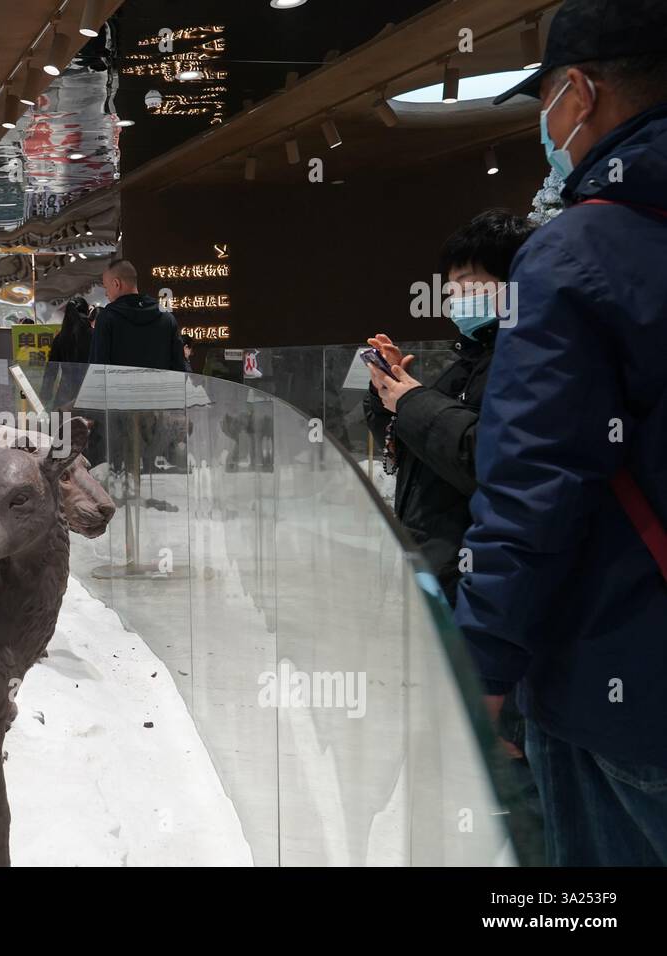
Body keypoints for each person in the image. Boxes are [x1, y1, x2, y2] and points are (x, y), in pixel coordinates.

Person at [454, 0, 667, 866]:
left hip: (622, 684)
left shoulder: (578, 254)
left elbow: (536, 482)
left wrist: (488, 664)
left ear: (578, 93)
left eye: (545, 98)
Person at [363, 210, 536, 602]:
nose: (455, 299)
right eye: (451, 289)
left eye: (468, 285)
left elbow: (485, 458)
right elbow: (417, 449)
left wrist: (410, 400)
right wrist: (387, 393)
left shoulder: (524, 360)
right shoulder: (467, 362)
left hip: (484, 581)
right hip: (438, 568)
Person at [88, 259, 188, 372]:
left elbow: (98, 369)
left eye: (106, 287)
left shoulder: (106, 318)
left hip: (119, 389)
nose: (106, 293)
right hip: (159, 388)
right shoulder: (166, 318)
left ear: (117, 283)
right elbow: (180, 367)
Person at [41, 296, 93, 408]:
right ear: (87, 312)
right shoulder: (94, 335)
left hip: (65, 394)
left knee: (63, 425)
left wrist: (45, 394)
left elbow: (51, 370)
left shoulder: (60, 338)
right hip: (89, 394)